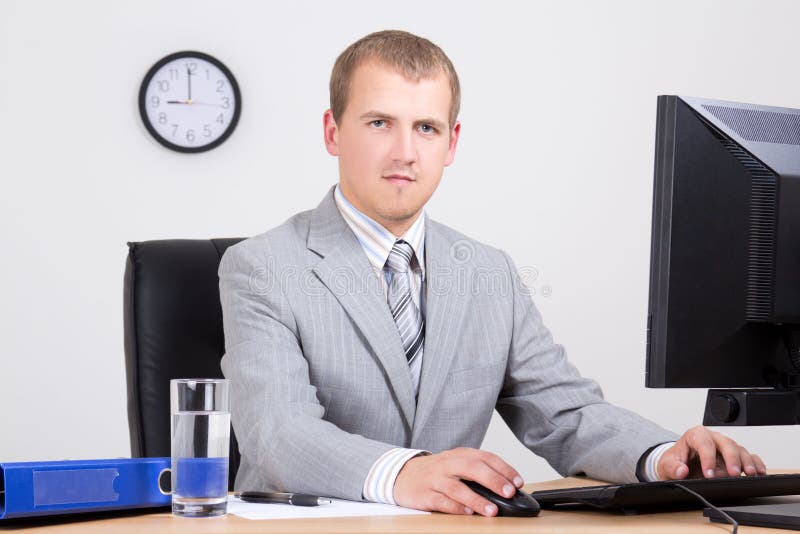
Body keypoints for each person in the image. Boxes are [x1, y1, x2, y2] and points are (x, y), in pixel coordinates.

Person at [219, 29, 766, 517]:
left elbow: (565, 414)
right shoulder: (263, 266)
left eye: (427, 128)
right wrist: (405, 472)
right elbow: (278, 435)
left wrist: (662, 456)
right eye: (380, 122)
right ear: (333, 131)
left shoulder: (488, 272)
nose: (405, 152)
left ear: (451, 142)